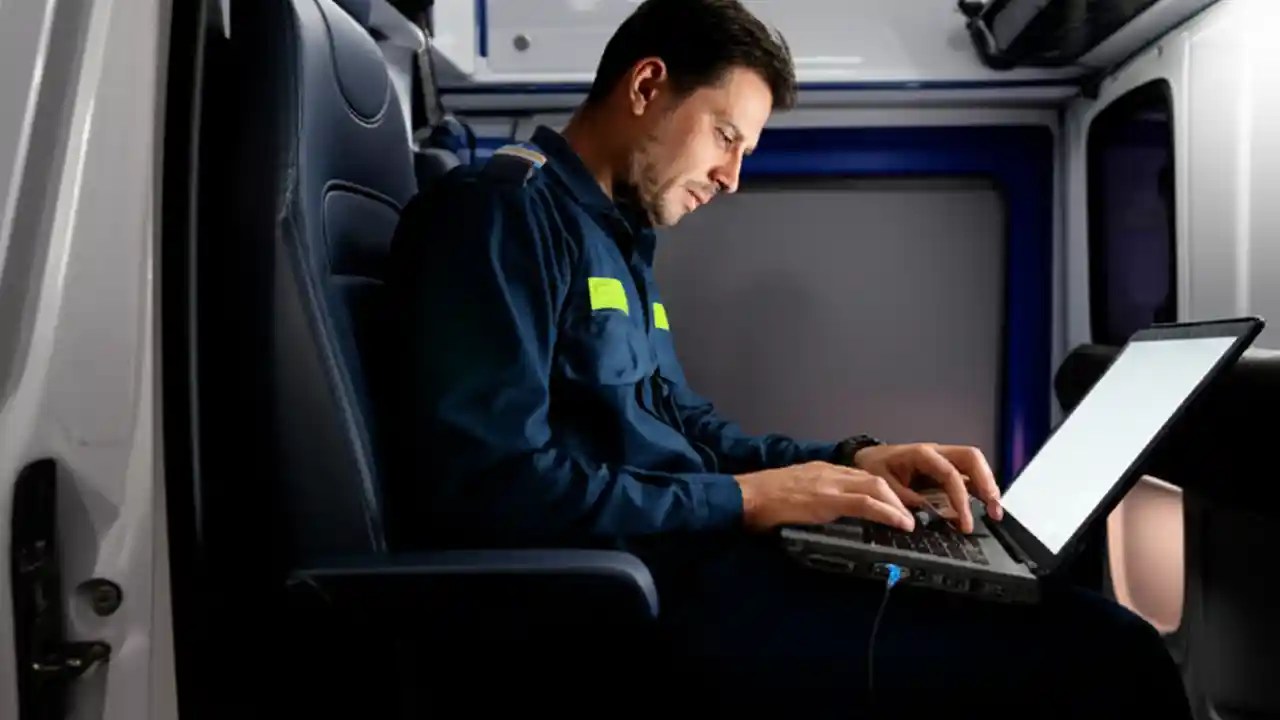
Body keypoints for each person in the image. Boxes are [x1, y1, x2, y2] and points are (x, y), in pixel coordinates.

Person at [384, 0, 1192, 716]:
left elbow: (686, 426)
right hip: (642, 608)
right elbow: (492, 492)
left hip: (706, 569)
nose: (733, 178)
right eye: (726, 136)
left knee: (1071, 606)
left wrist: (851, 462)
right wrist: (745, 501)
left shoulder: (617, 238)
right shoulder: (499, 216)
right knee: (1108, 655)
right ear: (645, 87)